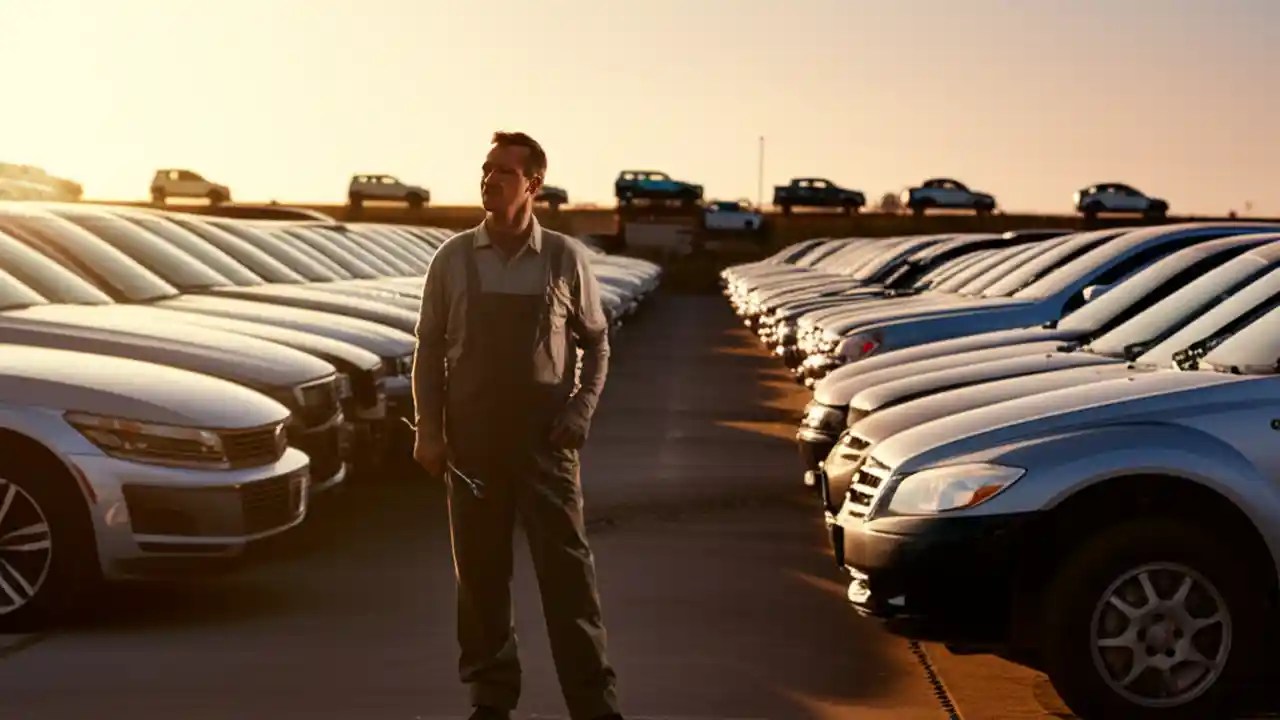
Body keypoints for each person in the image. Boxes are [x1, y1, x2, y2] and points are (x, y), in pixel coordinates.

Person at [411, 131, 623, 720]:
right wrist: (429, 430)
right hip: (473, 447)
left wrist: (581, 410)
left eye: (504, 172)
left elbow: (597, 342)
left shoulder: (562, 257)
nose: (489, 180)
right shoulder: (452, 259)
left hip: (546, 447)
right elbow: (428, 350)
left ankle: (594, 704)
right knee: (479, 581)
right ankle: (490, 698)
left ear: (533, 184)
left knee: (568, 580)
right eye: (485, 170)